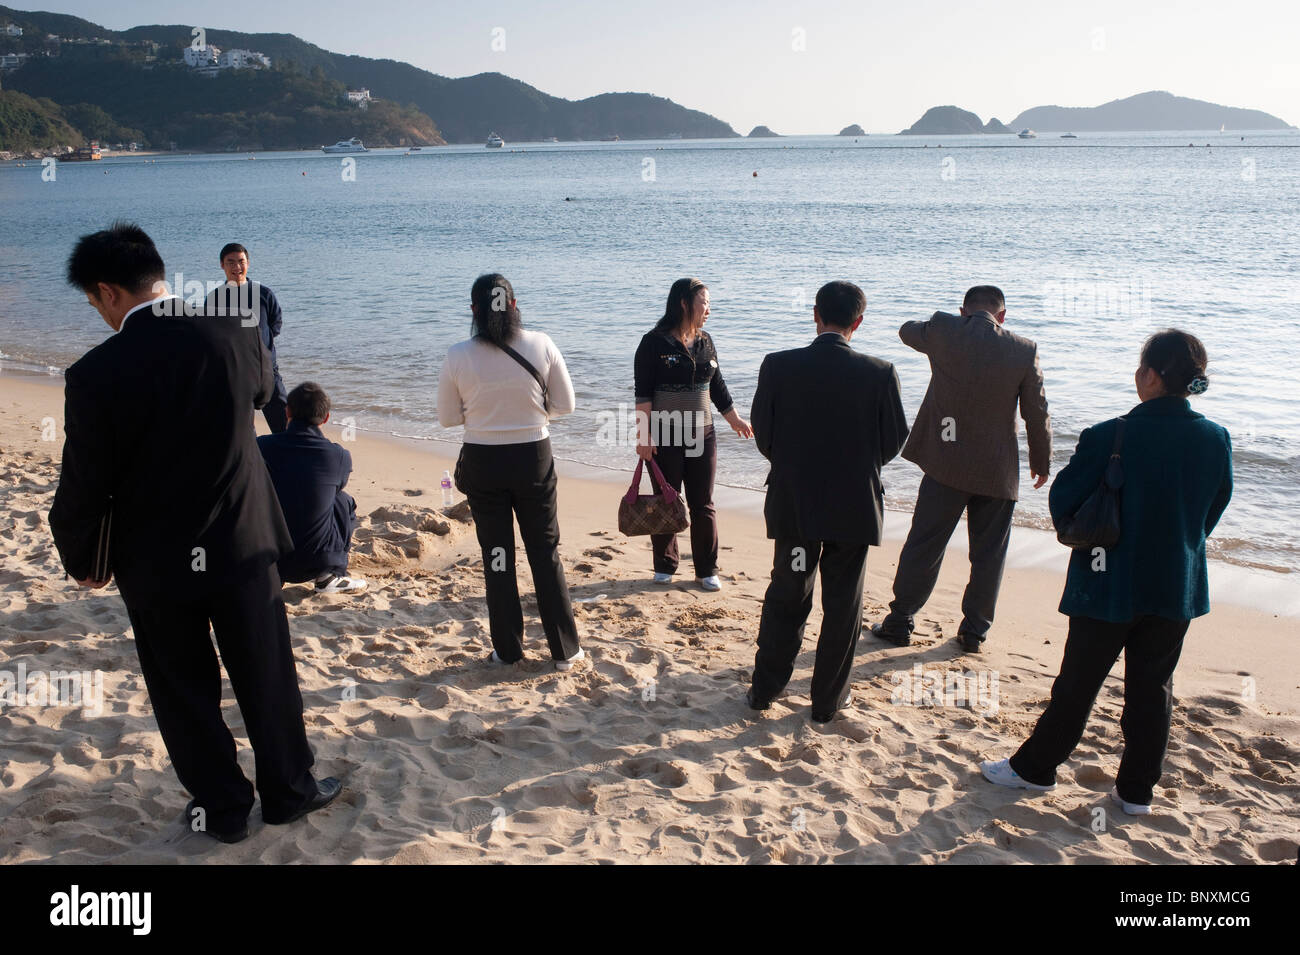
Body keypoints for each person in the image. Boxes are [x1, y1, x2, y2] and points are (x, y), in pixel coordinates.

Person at [49, 222, 340, 845]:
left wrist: (81, 557)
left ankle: (223, 806)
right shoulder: (235, 333)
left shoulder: (94, 374)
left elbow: (83, 482)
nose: (98, 313)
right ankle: (290, 792)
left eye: (93, 301)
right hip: (242, 541)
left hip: (155, 558)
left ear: (108, 292)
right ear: (155, 274)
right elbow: (266, 391)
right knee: (266, 672)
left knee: (182, 688)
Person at [982, 329, 1232, 815]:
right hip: (1175, 584)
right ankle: (1136, 792)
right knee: (1152, 689)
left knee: (1077, 683)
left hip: (1108, 581)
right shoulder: (1215, 438)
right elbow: (1211, 513)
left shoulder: (1108, 434)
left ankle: (1035, 770)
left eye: (1142, 369)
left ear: (1151, 376)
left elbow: (1064, 503)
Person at [747, 281, 909, 723]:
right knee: (842, 603)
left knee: (788, 592)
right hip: (852, 506)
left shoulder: (778, 365)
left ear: (815, 314)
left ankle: (765, 689)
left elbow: (765, 432)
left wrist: (795, 465)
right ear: (858, 322)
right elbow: (894, 440)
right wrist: (857, 465)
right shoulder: (879, 371)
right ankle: (828, 700)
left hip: (797, 504)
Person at [872, 285, 1051, 653]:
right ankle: (974, 632)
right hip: (996, 471)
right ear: (1002, 316)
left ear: (963, 310)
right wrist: (1041, 462)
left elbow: (906, 330)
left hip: (944, 463)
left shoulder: (943, 329)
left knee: (924, 544)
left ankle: (901, 620)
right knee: (988, 555)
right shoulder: (1024, 349)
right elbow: (1037, 413)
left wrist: (947, 325)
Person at [436, 273, 583, 669]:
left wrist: (485, 413)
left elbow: (448, 418)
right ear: (514, 305)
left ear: (474, 311)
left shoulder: (457, 354)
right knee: (544, 552)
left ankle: (507, 649)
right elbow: (566, 404)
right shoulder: (541, 343)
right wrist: (531, 414)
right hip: (533, 456)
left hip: (484, 461)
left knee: (497, 555)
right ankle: (565, 651)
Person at [633, 278, 753, 591]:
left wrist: (734, 419)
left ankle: (706, 569)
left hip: (703, 435)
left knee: (703, 503)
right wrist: (644, 437)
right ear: (685, 304)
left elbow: (717, 386)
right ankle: (665, 565)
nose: (709, 310)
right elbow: (643, 395)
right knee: (666, 500)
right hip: (665, 436)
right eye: (705, 303)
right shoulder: (653, 343)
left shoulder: (705, 341)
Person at [257, 381, 366, 594]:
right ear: (325, 418)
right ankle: (332, 574)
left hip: (270, 559)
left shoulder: (263, 446)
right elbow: (331, 491)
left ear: (287, 411)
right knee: (342, 500)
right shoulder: (338, 456)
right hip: (315, 559)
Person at [205, 242, 288, 432]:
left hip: (266, 370)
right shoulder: (214, 299)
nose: (236, 267)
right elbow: (211, 334)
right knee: (242, 431)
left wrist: (259, 346)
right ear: (222, 265)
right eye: (230, 262)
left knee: (283, 425)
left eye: (241, 261)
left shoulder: (264, 293)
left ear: (248, 263)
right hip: (235, 373)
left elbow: (275, 325)